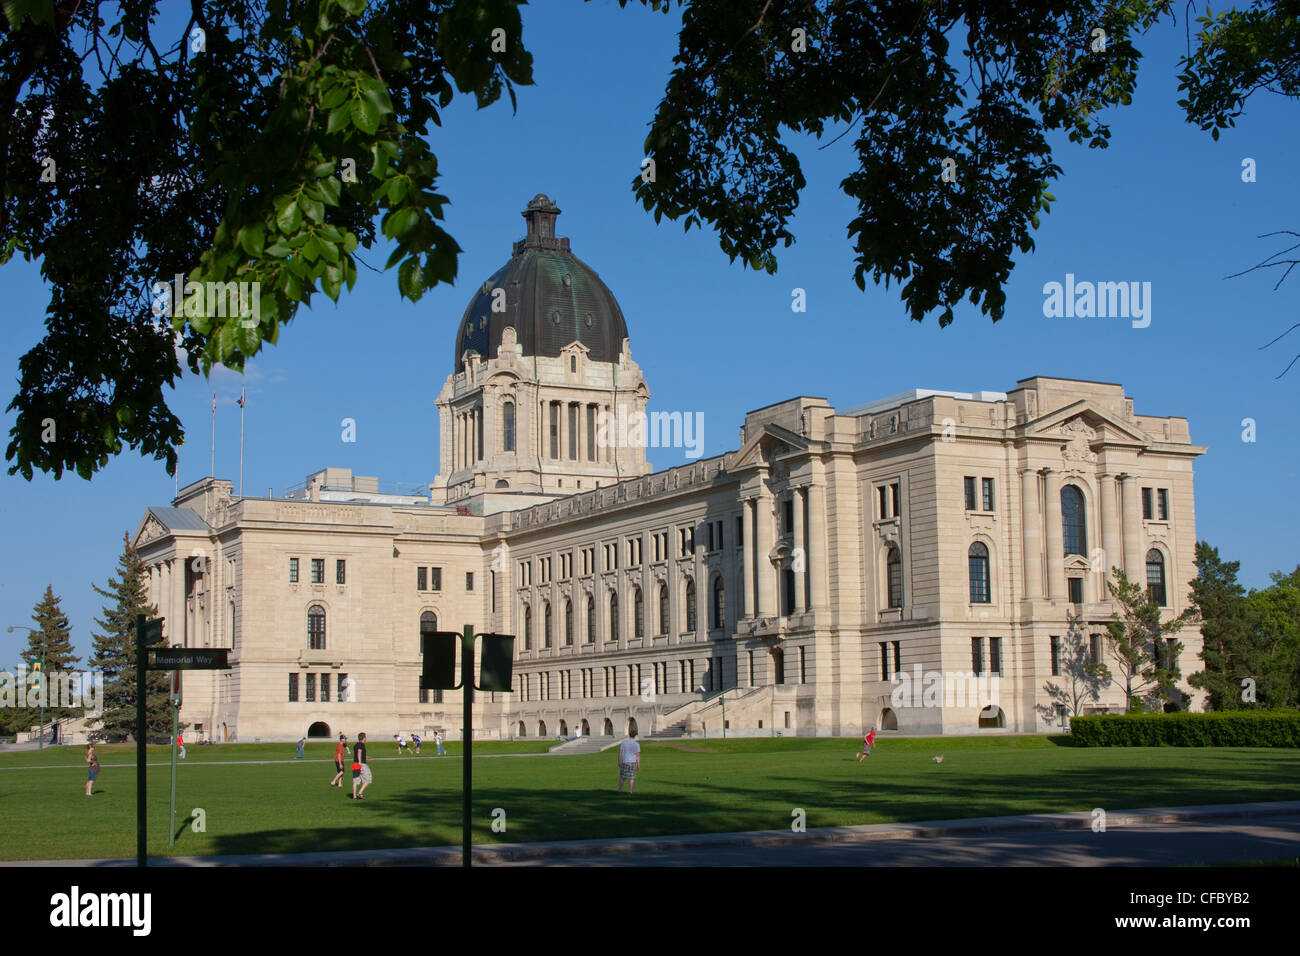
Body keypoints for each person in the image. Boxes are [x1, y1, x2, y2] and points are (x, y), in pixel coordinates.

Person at [616, 729, 640, 794]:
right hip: (633, 762)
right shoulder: (636, 744)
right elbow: (637, 756)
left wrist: (619, 761)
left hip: (625, 762)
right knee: (632, 778)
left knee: (622, 777)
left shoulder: (624, 742)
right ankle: (630, 791)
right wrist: (638, 765)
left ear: (629, 734)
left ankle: (619, 790)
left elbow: (620, 753)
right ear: (635, 736)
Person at [351, 732, 371, 799]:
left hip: (355, 764)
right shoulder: (361, 744)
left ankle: (354, 796)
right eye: (365, 737)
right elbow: (359, 752)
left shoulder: (356, 744)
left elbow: (359, 753)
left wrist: (365, 757)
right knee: (368, 779)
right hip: (360, 764)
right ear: (364, 738)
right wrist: (360, 762)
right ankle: (359, 793)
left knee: (355, 780)